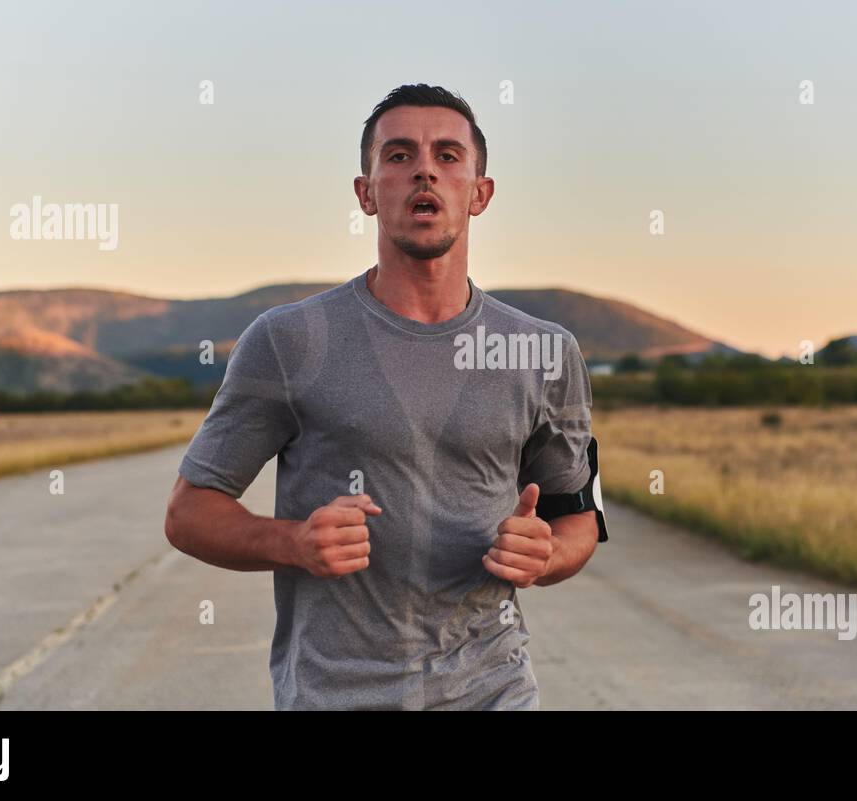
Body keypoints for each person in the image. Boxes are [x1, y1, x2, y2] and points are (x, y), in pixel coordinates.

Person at [164, 83, 608, 710]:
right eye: (398, 156)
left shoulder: (545, 351)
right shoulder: (290, 340)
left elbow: (578, 519)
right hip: (336, 695)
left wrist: (547, 553)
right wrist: (292, 543)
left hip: (492, 690)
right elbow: (188, 513)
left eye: (448, 156)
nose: (424, 168)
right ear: (366, 192)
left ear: (479, 193)